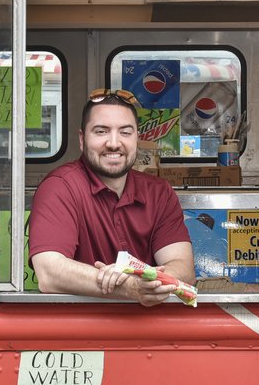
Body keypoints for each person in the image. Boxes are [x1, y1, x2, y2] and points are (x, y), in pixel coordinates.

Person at [29, 88, 195, 306]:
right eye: (101, 131)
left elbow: (184, 269)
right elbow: (49, 273)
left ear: (137, 138)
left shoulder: (159, 192)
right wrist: (129, 287)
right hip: (79, 322)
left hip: (149, 322)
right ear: (82, 139)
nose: (114, 143)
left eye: (125, 132)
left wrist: (146, 280)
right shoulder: (60, 186)